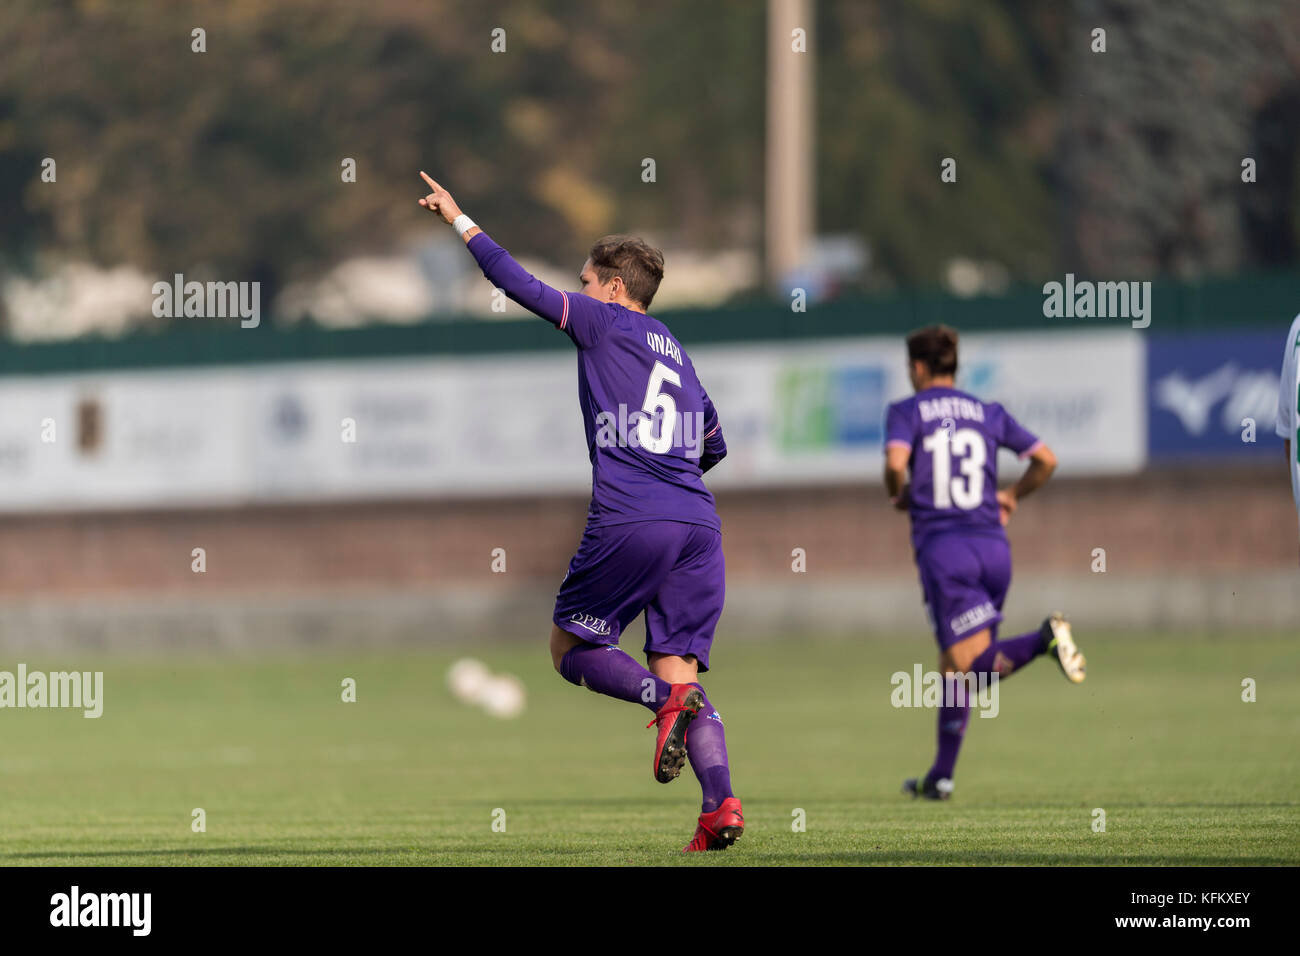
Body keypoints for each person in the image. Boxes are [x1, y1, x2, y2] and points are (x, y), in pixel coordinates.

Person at [417, 172, 742, 850]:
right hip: (699, 526)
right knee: (679, 668)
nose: (581, 290)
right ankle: (720, 809)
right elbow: (714, 442)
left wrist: (458, 218)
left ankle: (663, 705)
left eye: (587, 280)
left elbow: (516, 283)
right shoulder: (678, 353)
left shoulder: (602, 320)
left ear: (615, 289)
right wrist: (671, 480)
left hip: (634, 517)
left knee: (571, 646)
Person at [883, 324, 1086, 800]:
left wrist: (900, 495)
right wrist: (1012, 496)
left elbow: (895, 466)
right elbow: (1047, 459)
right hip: (995, 551)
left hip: (946, 553)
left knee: (970, 666)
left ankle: (1044, 639)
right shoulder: (986, 411)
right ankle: (941, 776)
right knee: (956, 672)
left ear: (916, 367)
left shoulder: (907, 410)